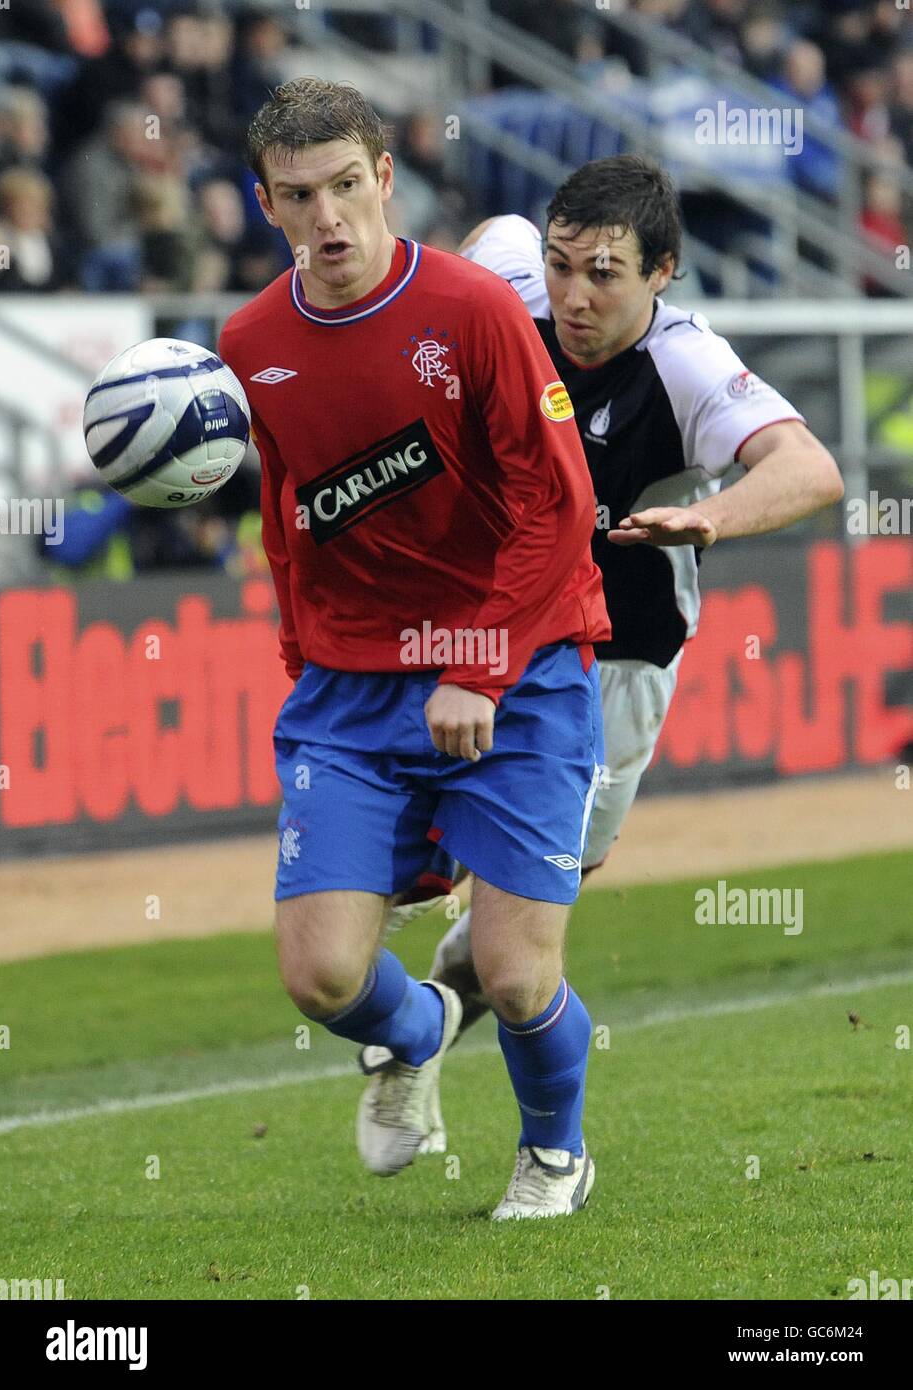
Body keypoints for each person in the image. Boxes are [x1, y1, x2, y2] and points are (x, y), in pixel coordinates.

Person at [376, 153, 843, 1148]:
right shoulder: (510, 278)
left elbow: (808, 468)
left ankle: (425, 1029)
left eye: (605, 274)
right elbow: (485, 246)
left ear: (662, 272)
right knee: (444, 872)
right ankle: (485, 1091)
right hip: (486, 636)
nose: (573, 294)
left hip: (617, 663)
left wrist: (710, 516)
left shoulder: (683, 363)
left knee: (529, 907)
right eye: (561, 265)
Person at [217, 78, 611, 1220]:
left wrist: (476, 661)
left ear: (385, 179)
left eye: (348, 185)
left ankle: (552, 1153)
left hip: (517, 665)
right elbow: (288, 506)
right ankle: (413, 1029)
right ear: (267, 206)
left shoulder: (473, 310)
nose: (330, 216)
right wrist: (301, 645)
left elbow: (557, 504)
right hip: (352, 687)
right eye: (301, 196)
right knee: (321, 976)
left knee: (515, 970)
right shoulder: (249, 342)